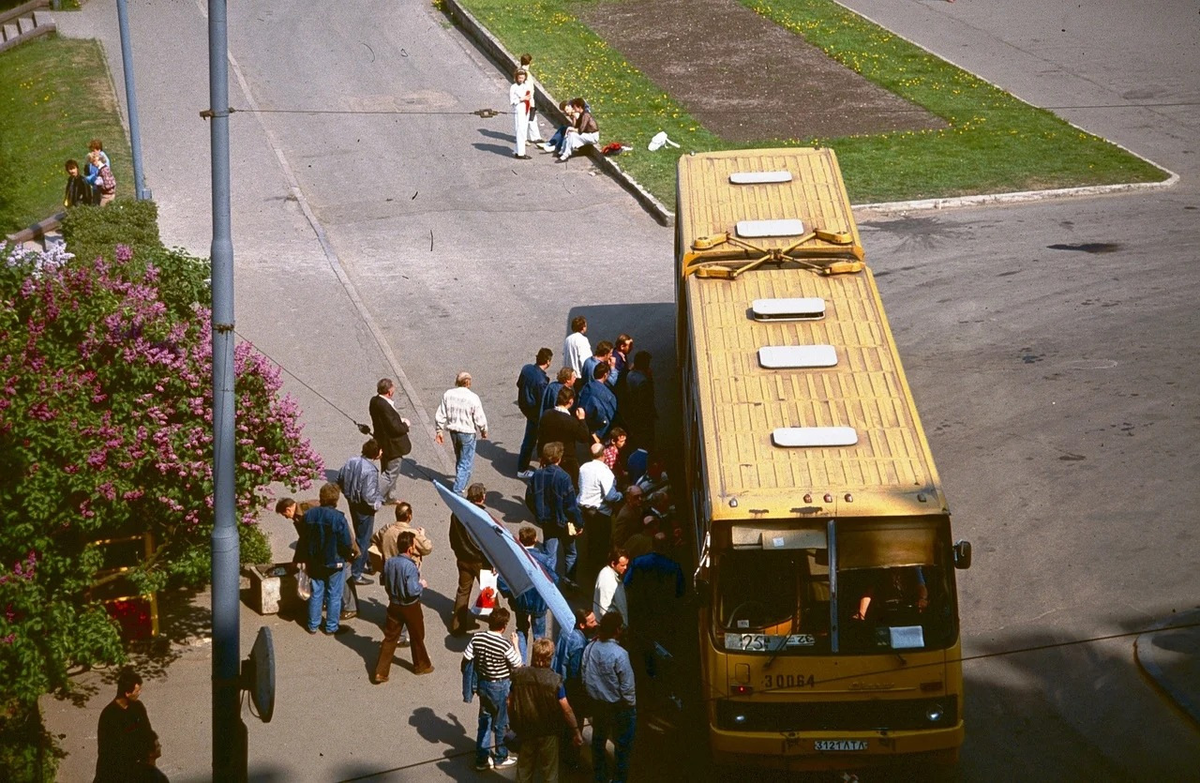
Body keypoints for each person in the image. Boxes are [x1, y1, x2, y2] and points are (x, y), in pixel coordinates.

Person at [508, 637, 583, 783]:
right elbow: (566, 709)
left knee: (524, 771)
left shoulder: (519, 676)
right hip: (548, 731)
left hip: (527, 729)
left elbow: (509, 701)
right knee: (550, 773)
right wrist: (576, 731)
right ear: (550, 657)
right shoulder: (555, 680)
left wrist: (514, 723)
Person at [463, 607, 523, 770]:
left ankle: (482, 758)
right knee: (501, 723)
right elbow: (518, 664)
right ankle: (500, 757)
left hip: (483, 685)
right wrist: (515, 644)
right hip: (500, 687)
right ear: (503, 626)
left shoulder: (477, 638)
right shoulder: (504, 645)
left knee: (485, 720)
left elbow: (467, 657)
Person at [581, 611, 636, 783]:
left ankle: (600, 777)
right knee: (622, 747)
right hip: (619, 707)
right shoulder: (620, 654)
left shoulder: (590, 648)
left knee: (598, 742)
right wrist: (631, 706)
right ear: (617, 630)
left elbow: (584, 676)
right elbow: (628, 687)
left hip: (598, 705)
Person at [373, 531, 434, 682]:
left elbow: (383, 580)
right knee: (417, 635)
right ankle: (421, 665)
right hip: (410, 606)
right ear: (409, 548)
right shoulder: (410, 566)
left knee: (390, 638)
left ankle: (381, 671)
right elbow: (412, 590)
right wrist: (422, 585)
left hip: (394, 604)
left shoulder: (389, 562)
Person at [624, 535, 685, 679]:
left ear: (653, 544)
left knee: (645, 642)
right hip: (665, 612)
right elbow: (680, 591)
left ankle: (648, 672)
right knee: (664, 641)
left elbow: (626, 583)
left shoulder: (639, 563)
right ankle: (663, 672)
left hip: (642, 611)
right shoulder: (674, 567)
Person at [298, 482, 354, 635]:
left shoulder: (309, 515)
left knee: (316, 592)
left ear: (321, 498)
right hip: (334, 561)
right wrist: (346, 555)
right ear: (335, 500)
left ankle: (313, 625)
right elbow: (346, 542)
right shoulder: (338, 518)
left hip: (315, 560)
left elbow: (304, 538)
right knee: (334, 595)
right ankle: (331, 626)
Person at [525, 441, 583, 579]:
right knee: (570, 553)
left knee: (549, 555)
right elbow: (571, 506)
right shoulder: (564, 477)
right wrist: (579, 523)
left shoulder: (537, 475)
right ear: (559, 458)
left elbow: (529, 499)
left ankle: (549, 583)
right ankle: (570, 583)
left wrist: (539, 513)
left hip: (547, 522)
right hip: (565, 523)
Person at [498, 526, 557, 661]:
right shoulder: (545, 560)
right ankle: (538, 661)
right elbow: (554, 580)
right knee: (539, 635)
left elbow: (502, 580)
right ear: (535, 539)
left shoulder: (514, 558)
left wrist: (511, 594)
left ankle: (521, 661)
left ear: (519, 539)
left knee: (521, 630)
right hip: (539, 603)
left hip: (520, 601)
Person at [337, 438, 384, 584]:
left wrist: (347, 495)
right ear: (376, 454)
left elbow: (340, 478)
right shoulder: (370, 470)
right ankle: (356, 573)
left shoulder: (352, 461)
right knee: (363, 539)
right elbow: (369, 496)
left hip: (353, 503)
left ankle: (370, 562)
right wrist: (378, 504)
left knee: (362, 534)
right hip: (364, 508)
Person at [94, 667, 153, 782]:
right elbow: (108, 750)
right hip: (116, 771)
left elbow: (146, 731)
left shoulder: (138, 707)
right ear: (127, 693)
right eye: (137, 691)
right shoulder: (109, 715)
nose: (139, 693)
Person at [435, 371, 489, 495]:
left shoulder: (448, 394)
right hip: (467, 433)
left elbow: (440, 414)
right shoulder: (473, 397)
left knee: (460, 459)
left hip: (454, 432)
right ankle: (458, 491)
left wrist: (439, 430)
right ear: (468, 382)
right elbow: (480, 417)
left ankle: (461, 483)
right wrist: (484, 430)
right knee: (466, 462)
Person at [450, 483, 493, 635]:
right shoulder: (483, 516)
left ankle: (457, 626)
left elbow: (452, 538)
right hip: (481, 561)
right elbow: (488, 543)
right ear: (482, 497)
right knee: (489, 591)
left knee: (463, 591)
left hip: (463, 558)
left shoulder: (457, 513)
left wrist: (458, 553)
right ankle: (495, 622)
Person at [579, 443, 623, 578]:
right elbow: (611, 496)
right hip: (600, 513)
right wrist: (620, 495)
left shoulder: (583, 468)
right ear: (604, 455)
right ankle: (597, 572)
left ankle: (588, 567)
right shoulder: (605, 472)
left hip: (584, 509)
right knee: (601, 544)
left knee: (591, 539)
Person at [537, 385, 595, 487]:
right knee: (570, 484)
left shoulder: (546, 414)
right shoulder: (571, 421)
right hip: (567, 458)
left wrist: (540, 454)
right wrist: (582, 419)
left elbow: (541, 436)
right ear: (571, 401)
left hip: (549, 455)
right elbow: (584, 437)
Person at [369, 378, 413, 503]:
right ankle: (373, 497)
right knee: (390, 473)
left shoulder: (374, 401)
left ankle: (389, 496)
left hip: (382, 441)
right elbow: (394, 428)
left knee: (386, 469)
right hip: (393, 444)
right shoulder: (385, 406)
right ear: (389, 391)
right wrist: (405, 425)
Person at [517, 348, 554, 478]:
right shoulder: (541, 381)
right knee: (530, 440)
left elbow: (519, 384)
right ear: (548, 361)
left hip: (526, 408)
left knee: (531, 438)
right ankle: (522, 469)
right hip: (535, 413)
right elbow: (543, 400)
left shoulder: (526, 369)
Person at [371, 501, 433, 569]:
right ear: (409, 516)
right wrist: (422, 535)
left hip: (389, 568)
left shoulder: (386, 529)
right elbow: (427, 548)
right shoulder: (413, 534)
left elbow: (374, 539)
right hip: (407, 571)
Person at [622, 350, 658, 455]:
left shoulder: (630, 375)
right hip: (643, 415)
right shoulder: (643, 381)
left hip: (633, 412)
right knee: (647, 438)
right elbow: (646, 400)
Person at [578, 362, 618, 440]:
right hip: (600, 432)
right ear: (605, 375)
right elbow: (612, 415)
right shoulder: (608, 395)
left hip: (583, 425)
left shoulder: (585, 388)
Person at [593, 548, 630, 625]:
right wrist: (618, 626)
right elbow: (604, 609)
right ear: (613, 564)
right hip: (609, 628)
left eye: (626, 564)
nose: (625, 567)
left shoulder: (614, 574)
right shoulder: (607, 579)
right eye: (622, 565)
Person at [557, 97, 599, 163]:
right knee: (570, 133)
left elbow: (580, 130)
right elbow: (576, 126)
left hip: (592, 136)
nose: (573, 109)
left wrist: (571, 129)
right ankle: (563, 151)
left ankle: (566, 155)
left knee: (572, 134)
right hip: (587, 134)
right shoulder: (581, 114)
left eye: (574, 107)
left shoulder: (586, 115)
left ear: (579, 107)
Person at [518, 53, 545, 144]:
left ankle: (534, 137)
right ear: (529, 62)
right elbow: (528, 89)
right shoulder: (526, 74)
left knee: (531, 118)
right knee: (528, 119)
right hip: (528, 100)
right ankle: (528, 138)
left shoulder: (520, 71)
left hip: (524, 99)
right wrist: (531, 103)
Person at [510, 69, 535, 160]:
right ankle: (521, 153)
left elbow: (530, 95)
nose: (521, 79)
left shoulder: (526, 85)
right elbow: (512, 101)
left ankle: (517, 150)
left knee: (523, 130)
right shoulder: (514, 87)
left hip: (526, 109)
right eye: (519, 78)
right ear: (516, 78)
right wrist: (522, 99)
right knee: (520, 130)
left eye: (523, 78)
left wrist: (528, 98)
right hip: (519, 109)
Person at [609, 483, 643, 548]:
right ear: (628, 498)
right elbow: (618, 539)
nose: (640, 499)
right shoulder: (624, 515)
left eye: (641, 496)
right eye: (636, 497)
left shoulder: (638, 508)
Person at [563, 315, 590, 382]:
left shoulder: (568, 339)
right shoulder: (583, 340)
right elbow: (586, 360)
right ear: (583, 328)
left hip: (568, 375)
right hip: (579, 377)